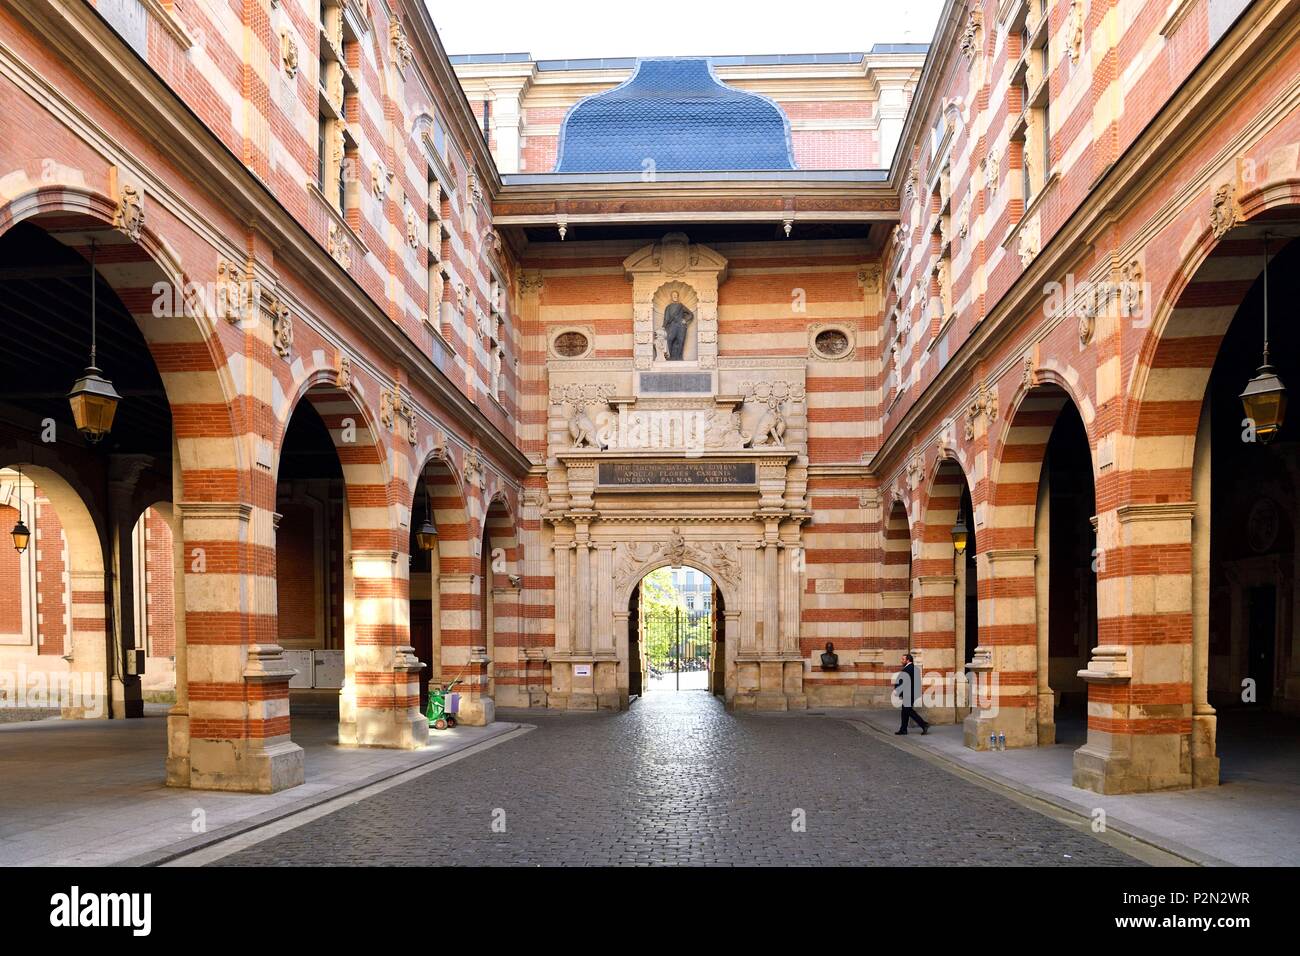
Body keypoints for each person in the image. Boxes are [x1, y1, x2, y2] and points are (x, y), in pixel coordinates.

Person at [894, 653, 929, 735]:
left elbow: (904, 682)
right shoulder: (912, 668)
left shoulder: (908, 669)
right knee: (905, 711)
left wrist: (898, 690)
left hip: (908, 694)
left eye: (903, 659)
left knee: (908, 711)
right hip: (910, 693)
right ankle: (903, 729)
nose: (901, 661)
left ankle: (924, 724)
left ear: (908, 660)